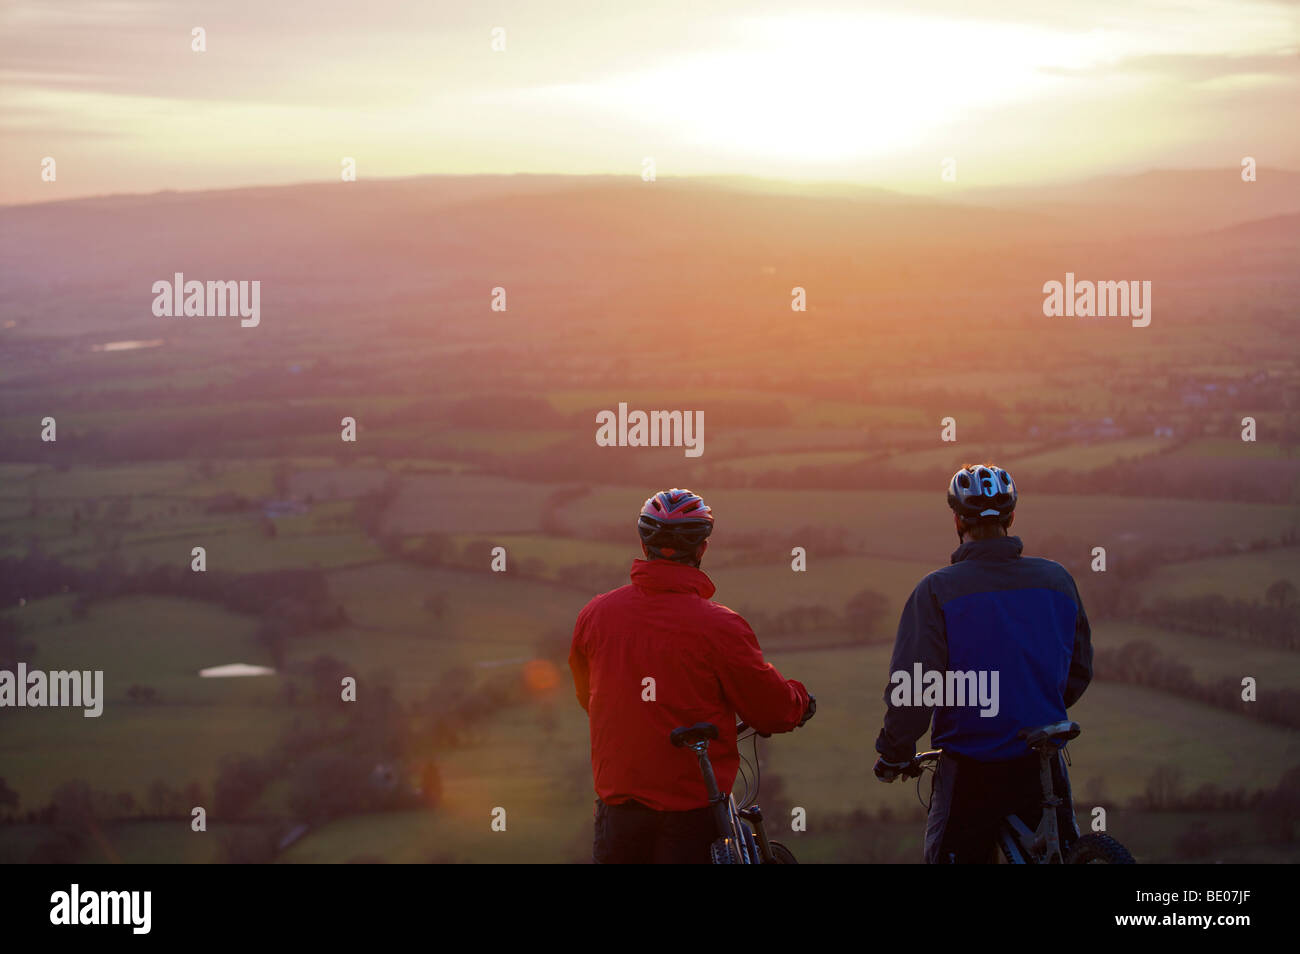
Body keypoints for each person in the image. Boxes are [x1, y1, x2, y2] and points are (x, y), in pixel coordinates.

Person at [570, 488, 814, 864]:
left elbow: (588, 694)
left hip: (617, 805)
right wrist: (799, 701)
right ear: (702, 548)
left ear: (643, 543)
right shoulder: (720, 626)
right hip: (692, 807)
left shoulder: (596, 614)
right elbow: (772, 710)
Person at [872, 463, 1093, 863]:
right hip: (1042, 755)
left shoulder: (936, 590)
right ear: (1012, 517)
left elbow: (915, 685)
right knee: (1063, 853)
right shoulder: (1056, 579)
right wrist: (1031, 703)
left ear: (957, 520)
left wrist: (894, 752)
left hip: (971, 768)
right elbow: (1078, 668)